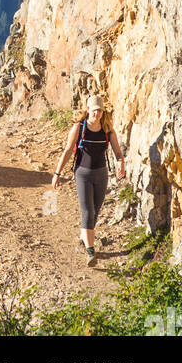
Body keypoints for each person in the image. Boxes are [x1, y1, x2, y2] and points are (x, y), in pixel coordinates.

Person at [51, 93, 125, 265]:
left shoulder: (107, 130)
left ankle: (83, 239)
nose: (97, 113)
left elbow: (118, 153)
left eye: (100, 110)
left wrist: (121, 163)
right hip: (82, 174)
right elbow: (68, 151)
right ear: (88, 110)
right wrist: (57, 173)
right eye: (94, 110)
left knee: (95, 211)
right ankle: (91, 251)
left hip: (101, 174)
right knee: (88, 211)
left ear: (103, 112)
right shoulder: (79, 127)